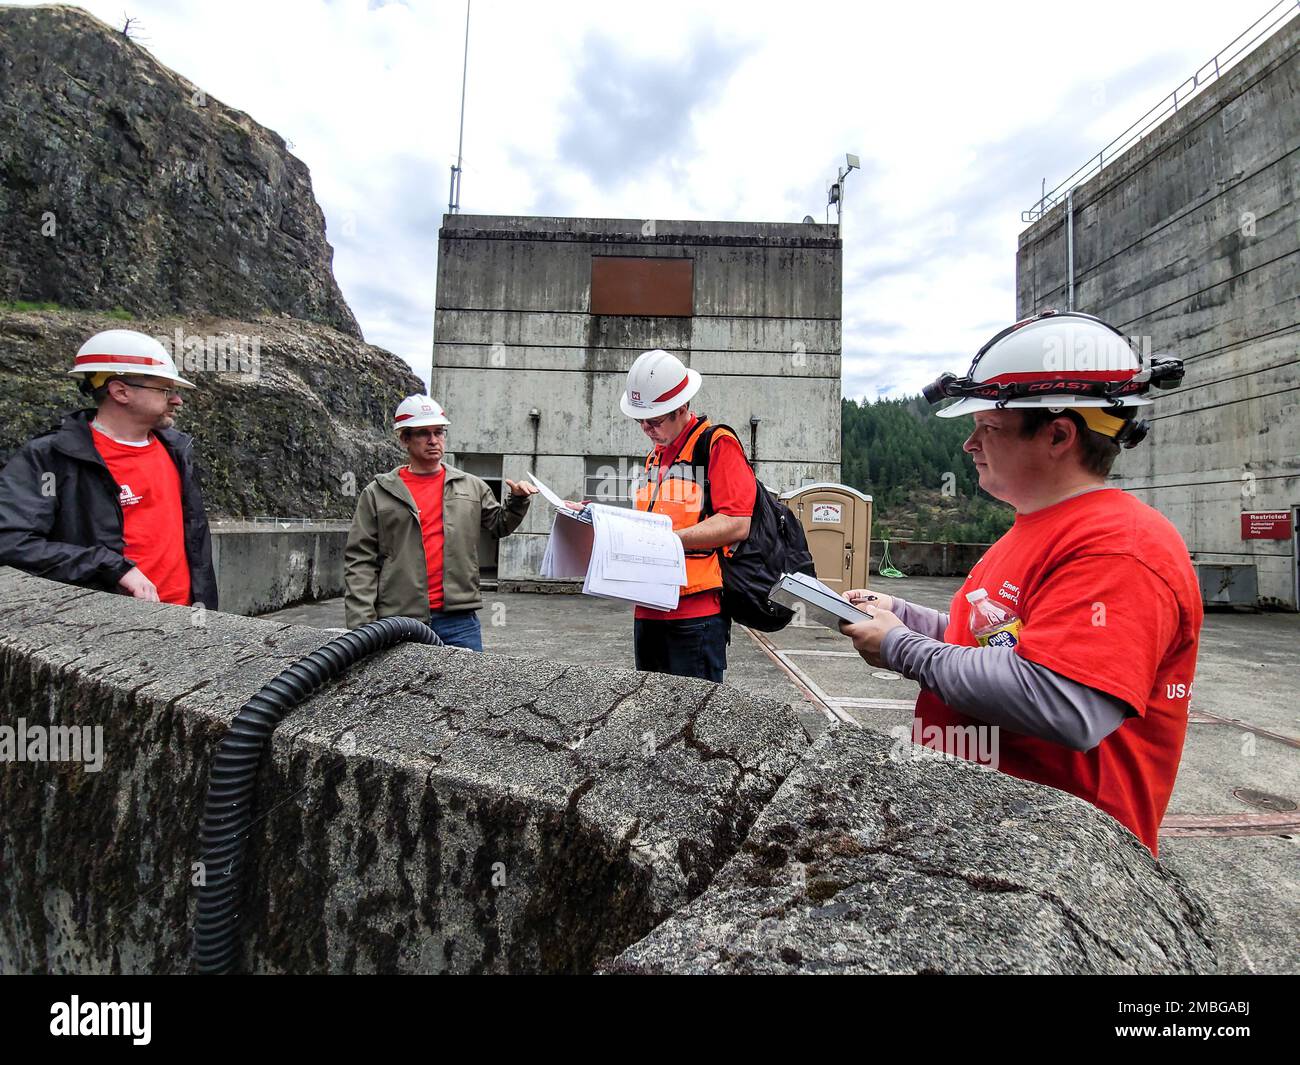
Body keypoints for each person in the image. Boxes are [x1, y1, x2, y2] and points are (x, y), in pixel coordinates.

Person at [839, 310, 1199, 856]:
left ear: (1058, 434)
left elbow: (1064, 700)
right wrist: (905, 616)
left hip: (1060, 858)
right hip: (998, 832)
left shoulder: (1121, 546)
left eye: (988, 427)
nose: (969, 444)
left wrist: (900, 647)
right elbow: (998, 641)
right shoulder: (1035, 527)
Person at [0, 329, 217, 608]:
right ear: (120, 391)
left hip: (186, 621)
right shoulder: (50, 461)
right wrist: (110, 566)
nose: (177, 400)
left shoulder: (177, 451)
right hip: (109, 628)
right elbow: (11, 541)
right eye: (166, 390)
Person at [344, 393, 537, 649]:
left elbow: (499, 525)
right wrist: (362, 626)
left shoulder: (471, 486)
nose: (434, 440)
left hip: (459, 620)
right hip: (398, 618)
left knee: (464, 689)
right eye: (423, 433)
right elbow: (360, 561)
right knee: (401, 689)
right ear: (404, 439)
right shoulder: (378, 492)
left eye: (439, 432)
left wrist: (518, 501)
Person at [613, 348, 758, 682]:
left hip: (695, 615)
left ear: (681, 408)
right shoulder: (655, 458)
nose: (646, 428)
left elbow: (737, 523)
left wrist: (668, 541)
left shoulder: (716, 444)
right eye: (640, 421)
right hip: (648, 609)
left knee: (692, 721)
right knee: (652, 714)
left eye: (653, 420)